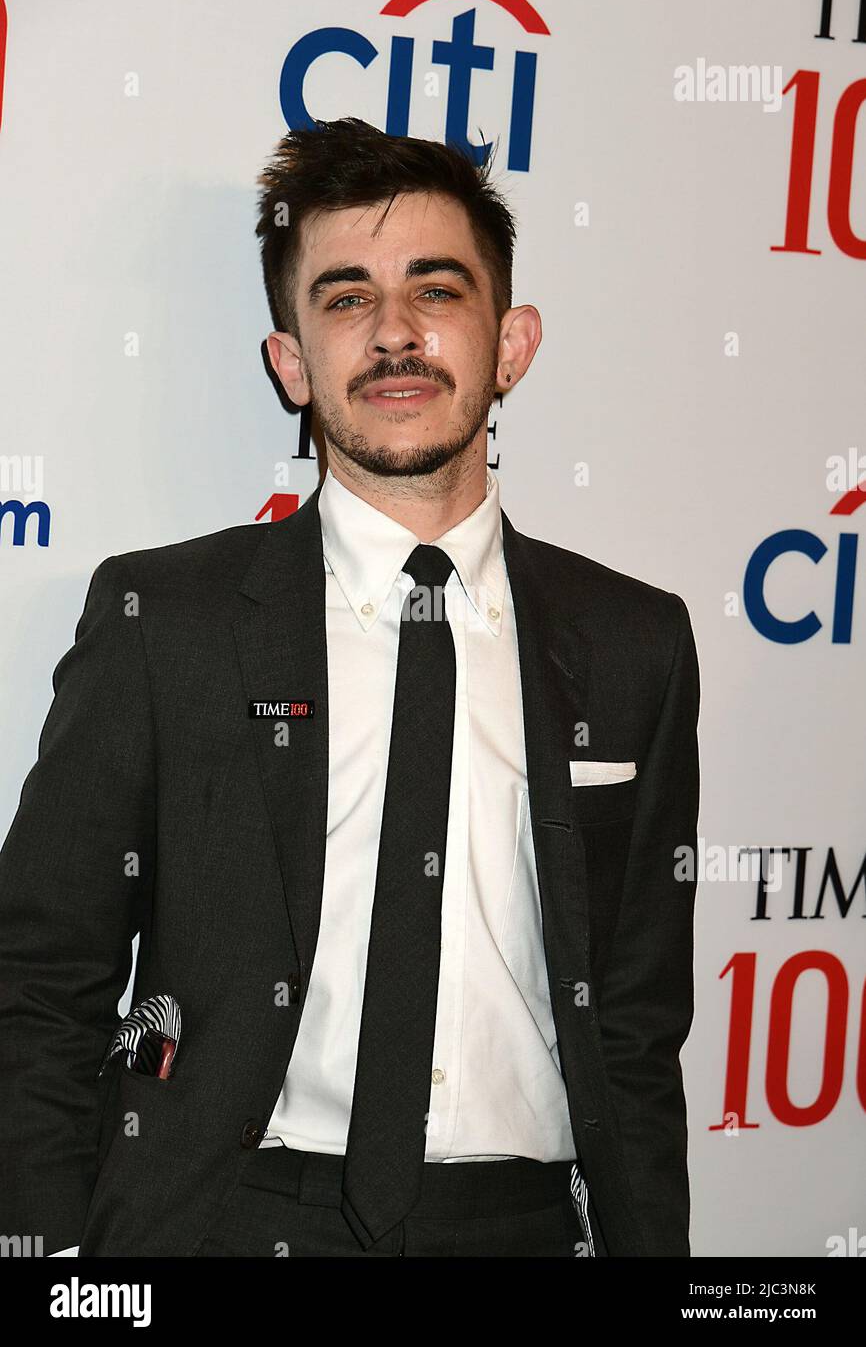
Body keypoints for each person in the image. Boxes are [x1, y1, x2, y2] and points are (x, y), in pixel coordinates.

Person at [0, 117, 700, 1257]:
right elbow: (38, 980)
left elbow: (633, 1022)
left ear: (509, 344)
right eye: (342, 299)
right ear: (291, 363)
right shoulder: (162, 622)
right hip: (222, 1221)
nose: (393, 334)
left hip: (518, 1226)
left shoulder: (633, 642)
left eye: (435, 289)